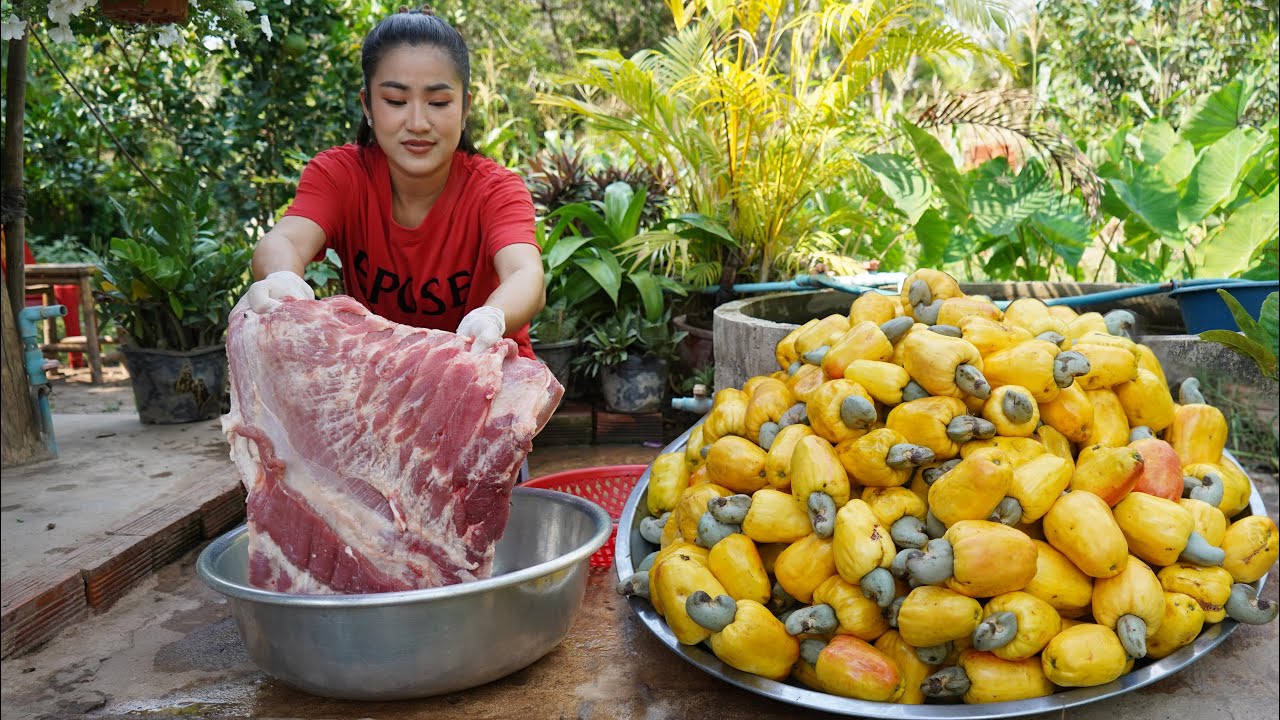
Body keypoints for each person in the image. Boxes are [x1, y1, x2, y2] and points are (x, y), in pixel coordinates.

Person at [243, 7, 544, 358]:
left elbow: (525, 272)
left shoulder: (496, 190)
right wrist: (283, 279)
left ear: (465, 109)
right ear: (368, 106)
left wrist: (492, 316)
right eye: (396, 101)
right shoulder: (340, 175)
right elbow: (285, 240)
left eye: (438, 102)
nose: (417, 123)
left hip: (489, 373)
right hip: (379, 377)